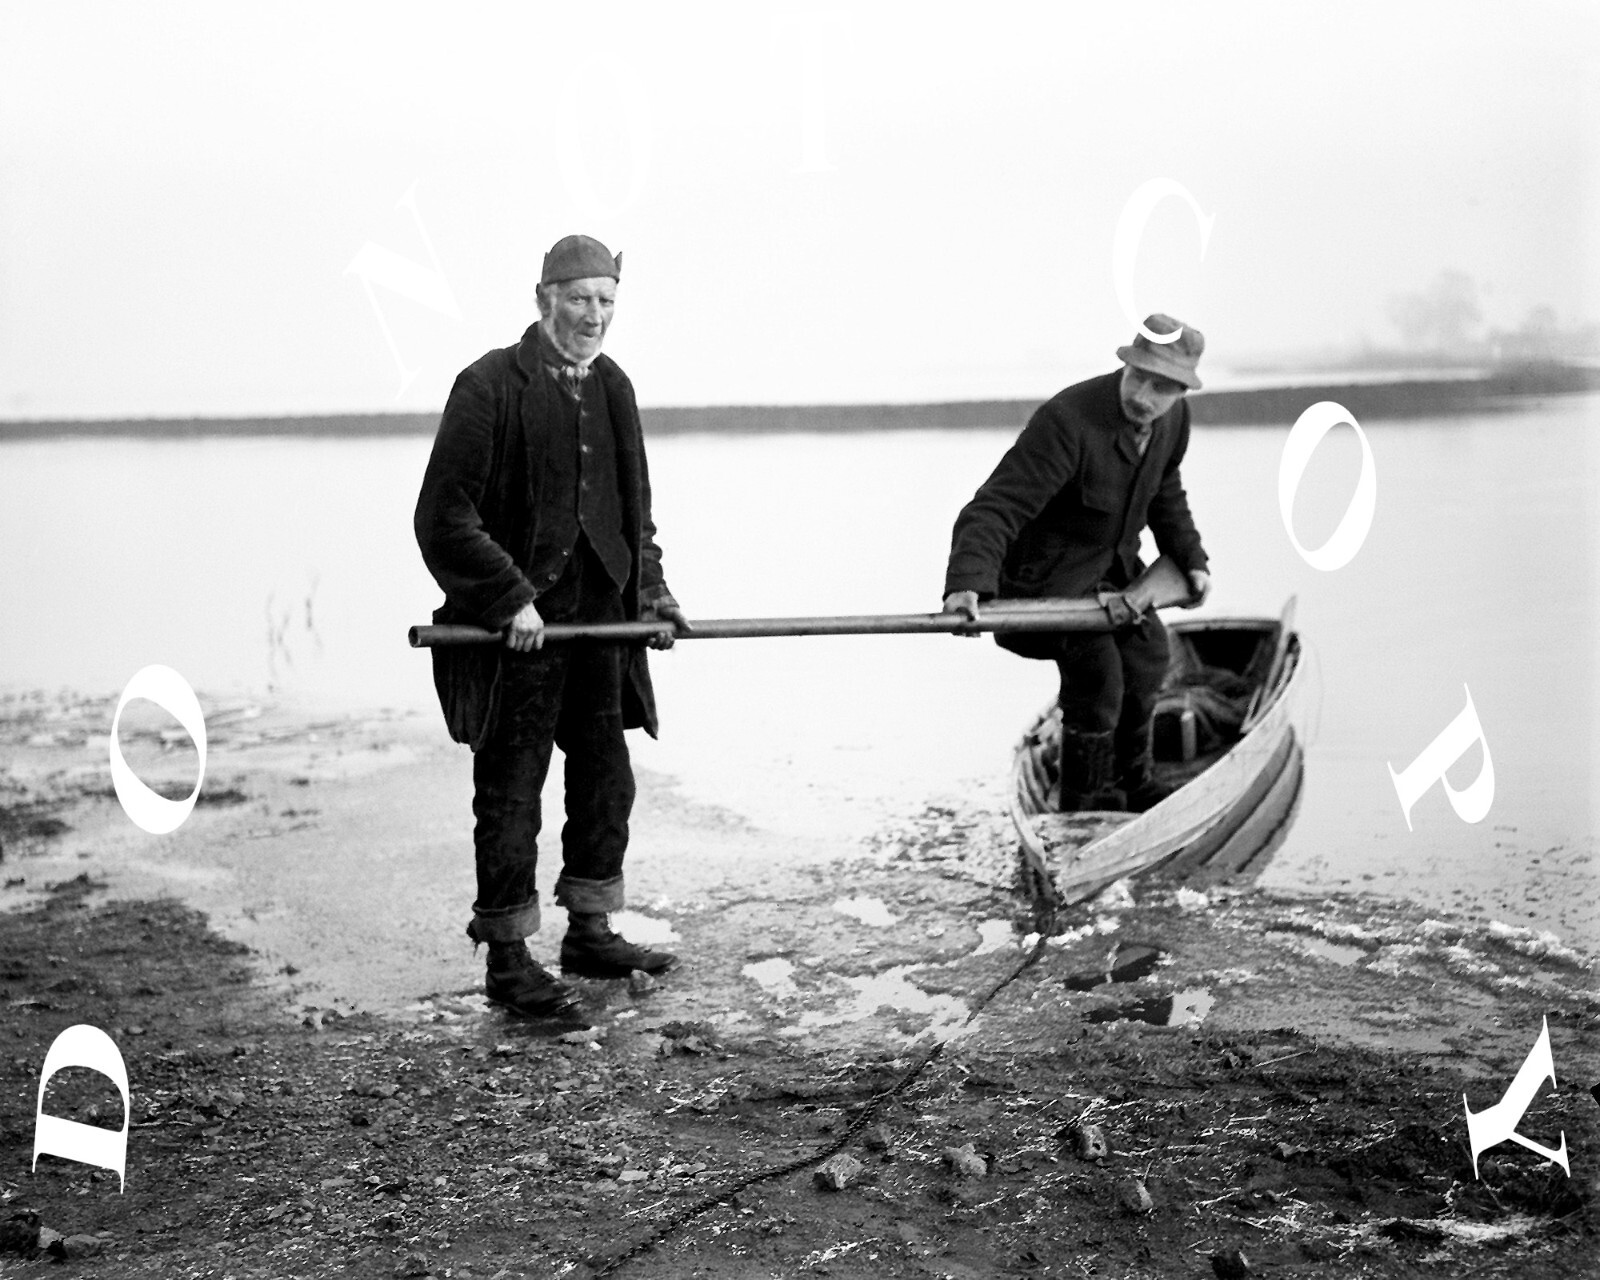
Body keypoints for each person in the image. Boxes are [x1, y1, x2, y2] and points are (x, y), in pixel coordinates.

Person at [414, 234, 690, 1019]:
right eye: (578, 299)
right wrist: (508, 599)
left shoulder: (616, 390)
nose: (593, 316)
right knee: (511, 793)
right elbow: (442, 518)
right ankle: (507, 959)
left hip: (602, 630)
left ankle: (590, 930)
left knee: (606, 779)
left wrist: (656, 597)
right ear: (543, 300)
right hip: (516, 638)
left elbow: (636, 521)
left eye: (606, 302)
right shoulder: (488, 385)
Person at [941, 314, 1212, 813]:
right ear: (1125, 365)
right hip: (1040, 590)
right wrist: (966, 584)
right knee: (1099, 673)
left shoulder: (1174, 423)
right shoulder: (1068, 421)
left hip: (1114, 585)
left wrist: (1192, 560)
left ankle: (1134, 783)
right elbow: (994, 509)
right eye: (1139, 378)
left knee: (1150, 654)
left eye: (1163, 389)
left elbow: (1165, 495)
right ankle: (1082, 807)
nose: (1145, 397)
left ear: (1182, 393)